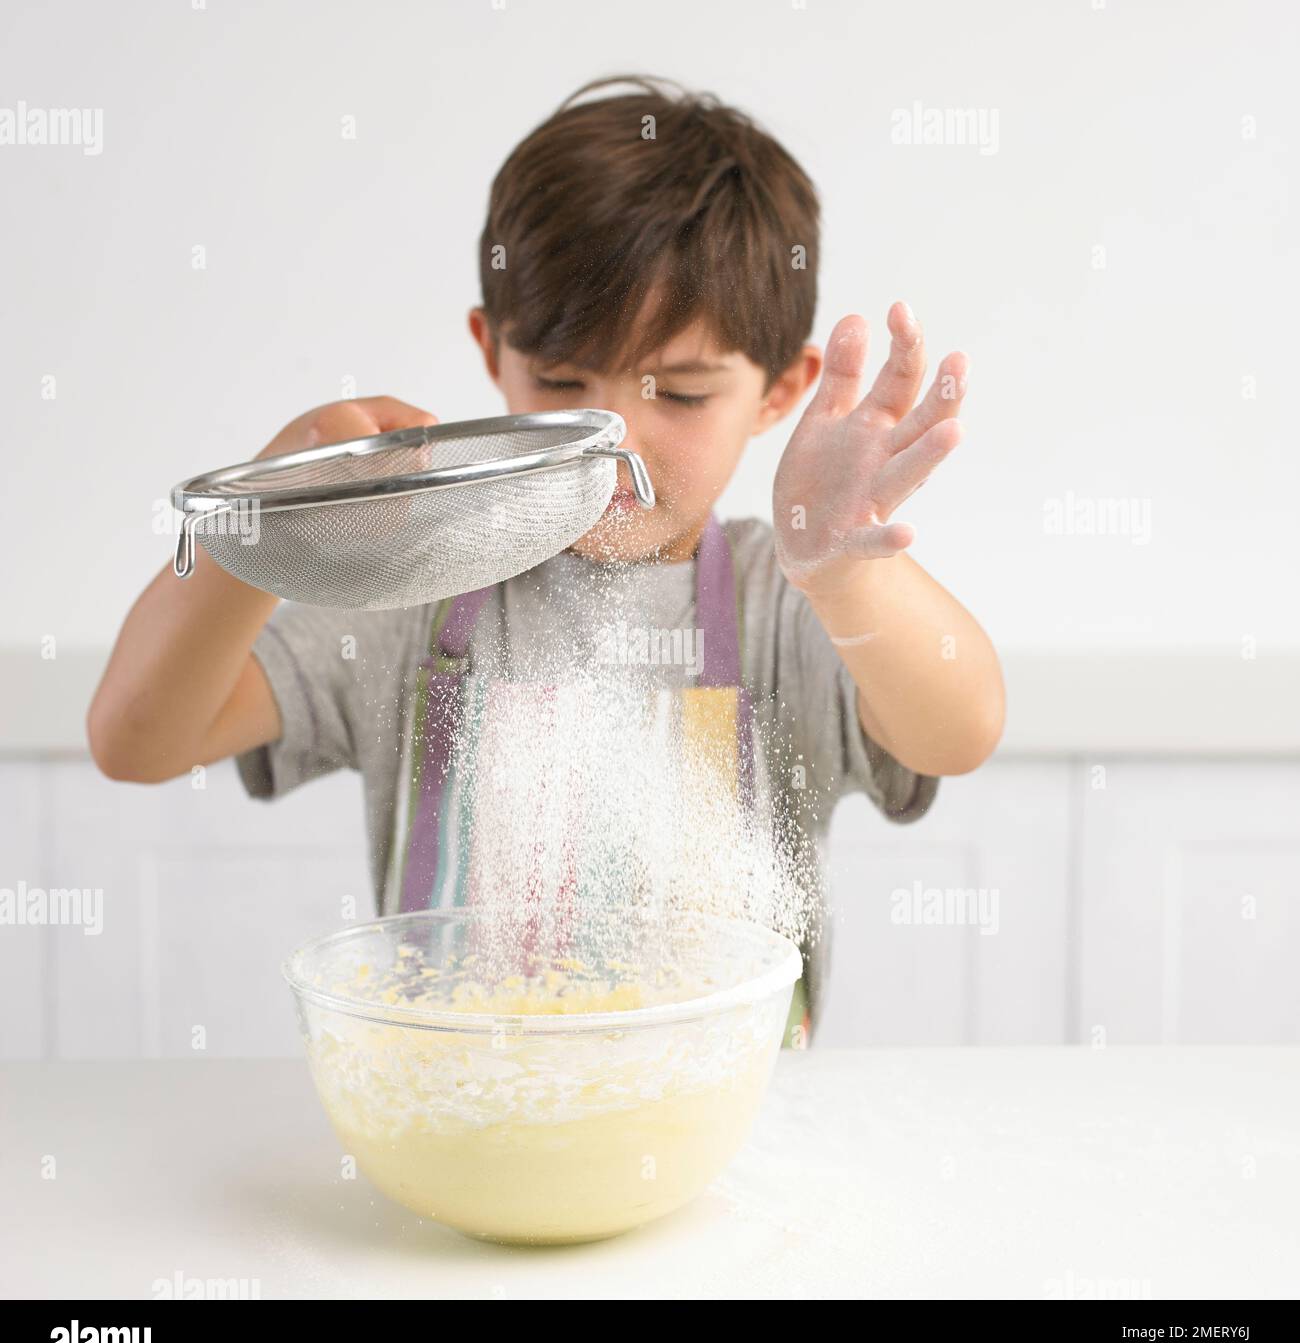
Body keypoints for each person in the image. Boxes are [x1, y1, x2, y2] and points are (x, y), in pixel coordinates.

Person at [88, 74, 1005, 1044]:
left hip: (726, 1151)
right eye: (564, 384)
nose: (615, 442)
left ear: (781, 390)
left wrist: (842, 572)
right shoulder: (413, 585)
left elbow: (958, 731)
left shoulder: (785, 603)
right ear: (493, 353)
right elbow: (138, 740)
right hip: (467, 1135)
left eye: (682, 395)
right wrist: (259, 518)